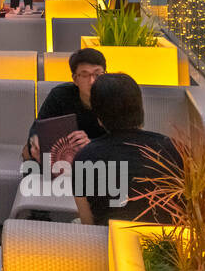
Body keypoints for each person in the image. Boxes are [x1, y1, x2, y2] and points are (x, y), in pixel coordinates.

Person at [72, 73, 183, 225]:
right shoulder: (176, 149)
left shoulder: (85, 157)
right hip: (171, 242)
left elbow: (88, 223)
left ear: (99, 117)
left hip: (111, 243)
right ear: (140, 109)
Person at [21, 47, 107, 162]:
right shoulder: (60, 95)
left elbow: (123, 139)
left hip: (100, 157)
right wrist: (35, 141)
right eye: (85, 75)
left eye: (97, 74)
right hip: (63, 155)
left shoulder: (113, 96)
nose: (92, 81)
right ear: (75, 79)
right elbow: (40, 126)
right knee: (28, 152)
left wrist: (90, 144)